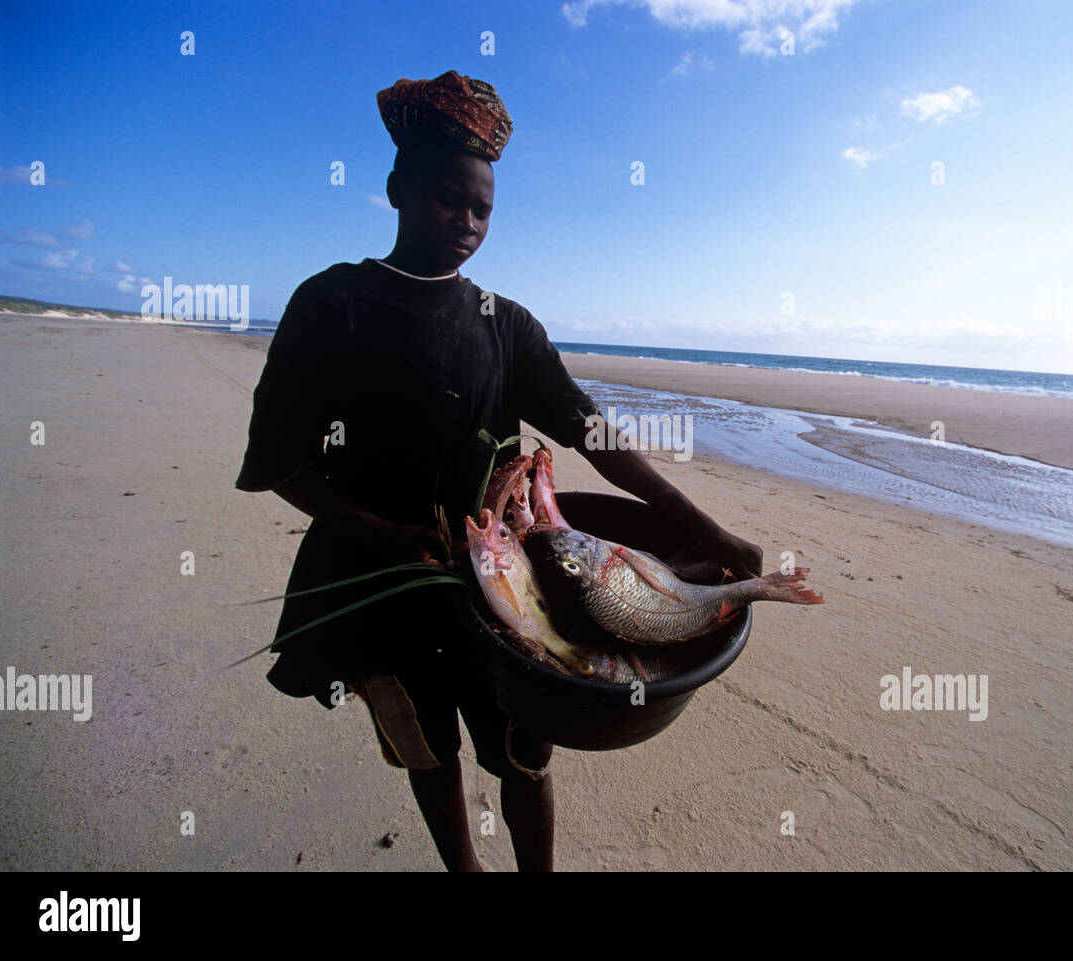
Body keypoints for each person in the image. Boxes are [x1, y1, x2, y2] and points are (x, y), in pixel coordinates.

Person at [235, 70, 762, 872]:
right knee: (425, 743)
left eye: (483, 208)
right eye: (450, 198)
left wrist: (700, 525)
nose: (468, 222)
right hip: (377, 577)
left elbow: (592, 431)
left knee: (525, 744)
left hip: (498, 582)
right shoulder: (331, 304)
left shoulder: (503, 325)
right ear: (397, 189)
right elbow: (284, 462)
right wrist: (385, 531)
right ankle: (465, 869)